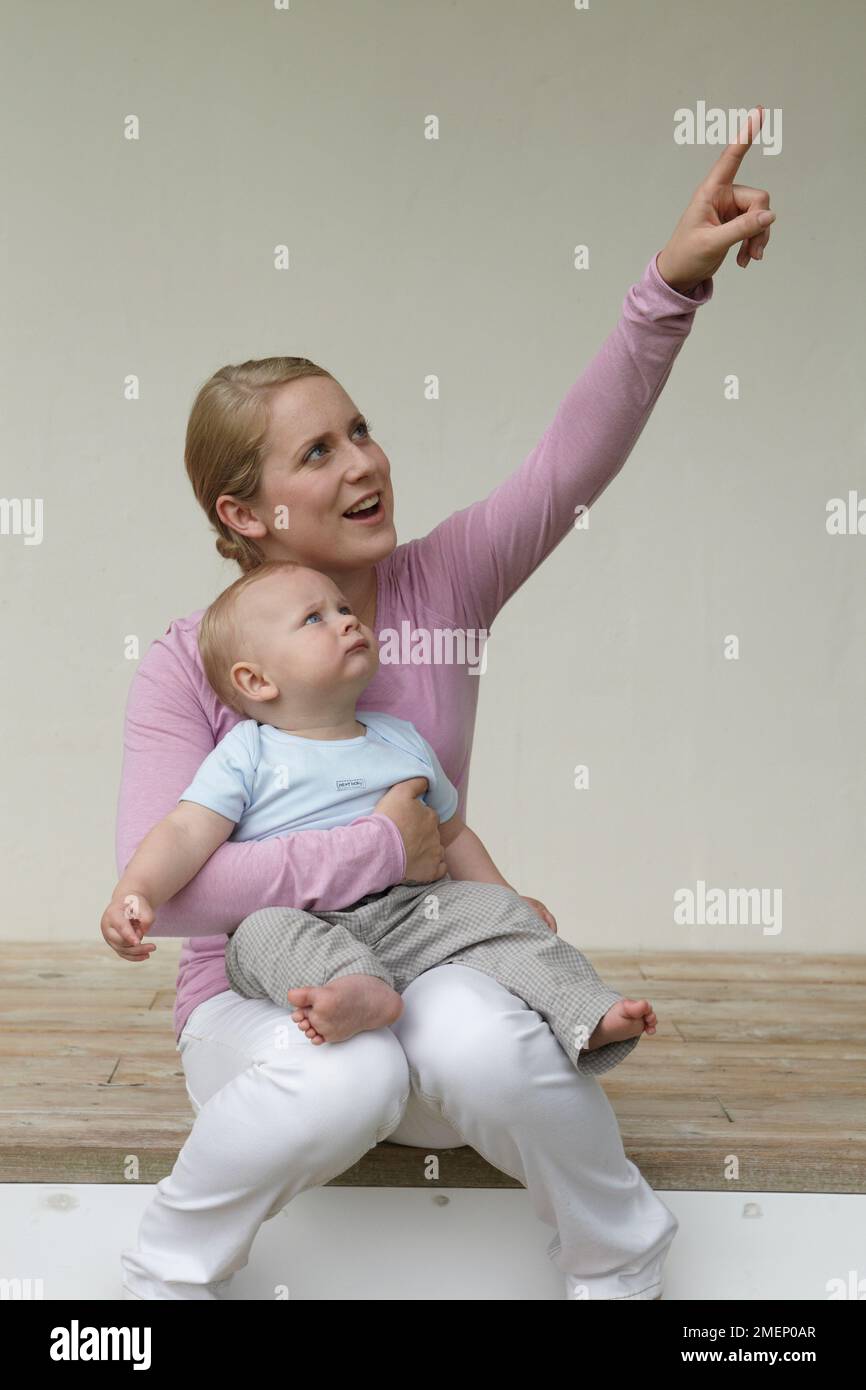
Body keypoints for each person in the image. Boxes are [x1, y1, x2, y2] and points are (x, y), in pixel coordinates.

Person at [111, 110, 775, 1300]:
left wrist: (667, 286)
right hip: (269, 1008)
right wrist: (378, 843)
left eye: (359, 429)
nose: (363, 462)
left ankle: (620, 1258)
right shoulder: (189, 665)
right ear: (243, 514)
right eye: (315, 454)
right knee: (345, 1076)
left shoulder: (442, 582)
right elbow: (171, 898)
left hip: (431, 967)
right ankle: (163, 1283)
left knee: (478, 1033)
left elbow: (568, 461)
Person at [101, 559, 659, 1070]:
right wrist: (138, 890)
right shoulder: (248, 751)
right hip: (304, 919)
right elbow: (184, 829)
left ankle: (585, 1012)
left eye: (344, 609)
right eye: (314, 618)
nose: (346, 621)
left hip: (412, 914)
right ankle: (356, 988)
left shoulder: (401, 741)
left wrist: (506, 898)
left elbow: (452, 833)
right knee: (257, 936)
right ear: (256, 680)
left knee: (498, 917)